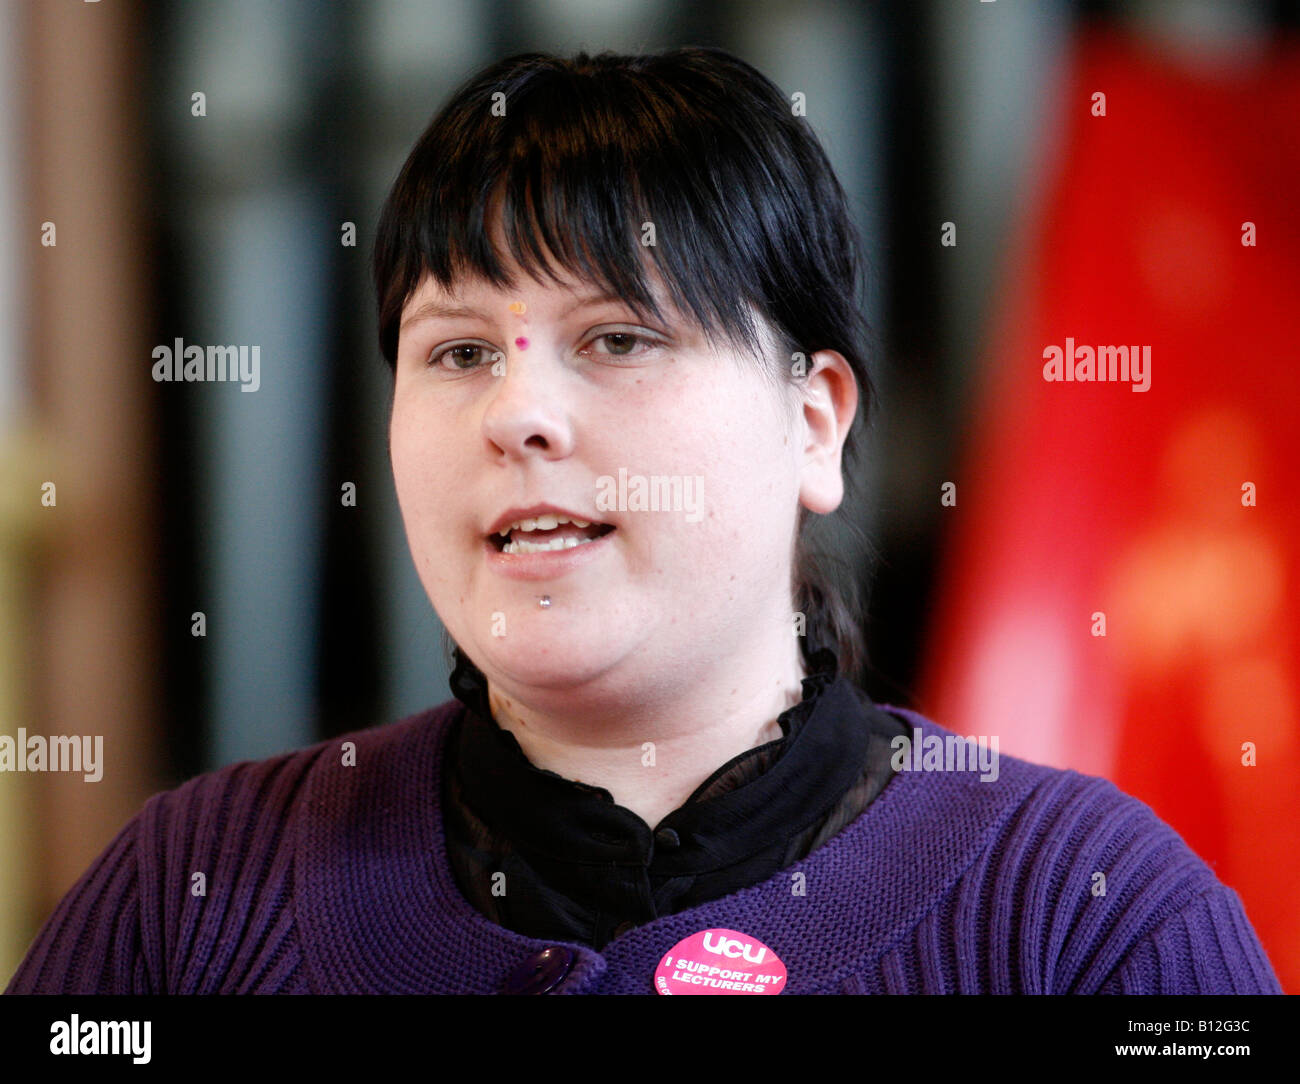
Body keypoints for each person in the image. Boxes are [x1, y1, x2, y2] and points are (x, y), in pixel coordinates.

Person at [6, 47, 1281, 995]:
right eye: (456, 354)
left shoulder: (1091, 917)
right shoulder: (184, 902)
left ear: (814, 423)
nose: (519, 415)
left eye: (616, 337)